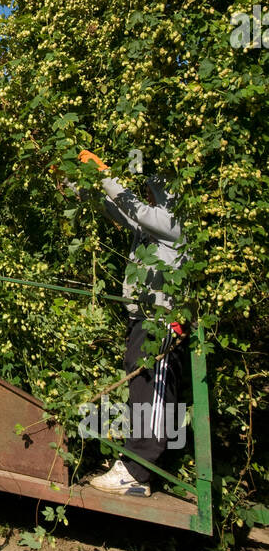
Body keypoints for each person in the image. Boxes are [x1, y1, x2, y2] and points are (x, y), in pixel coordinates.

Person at [73, 152, 187, 497]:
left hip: (164, 321)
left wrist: (104, 173)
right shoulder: (155, 223)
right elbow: (120, 212)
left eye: (154, 191)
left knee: (152, 390)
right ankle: (143, 466)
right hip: (145, 317)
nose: (148, 196)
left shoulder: (174, 223)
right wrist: (75, 185)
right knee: (145, 388)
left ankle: (138, 472)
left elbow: (134, 208)